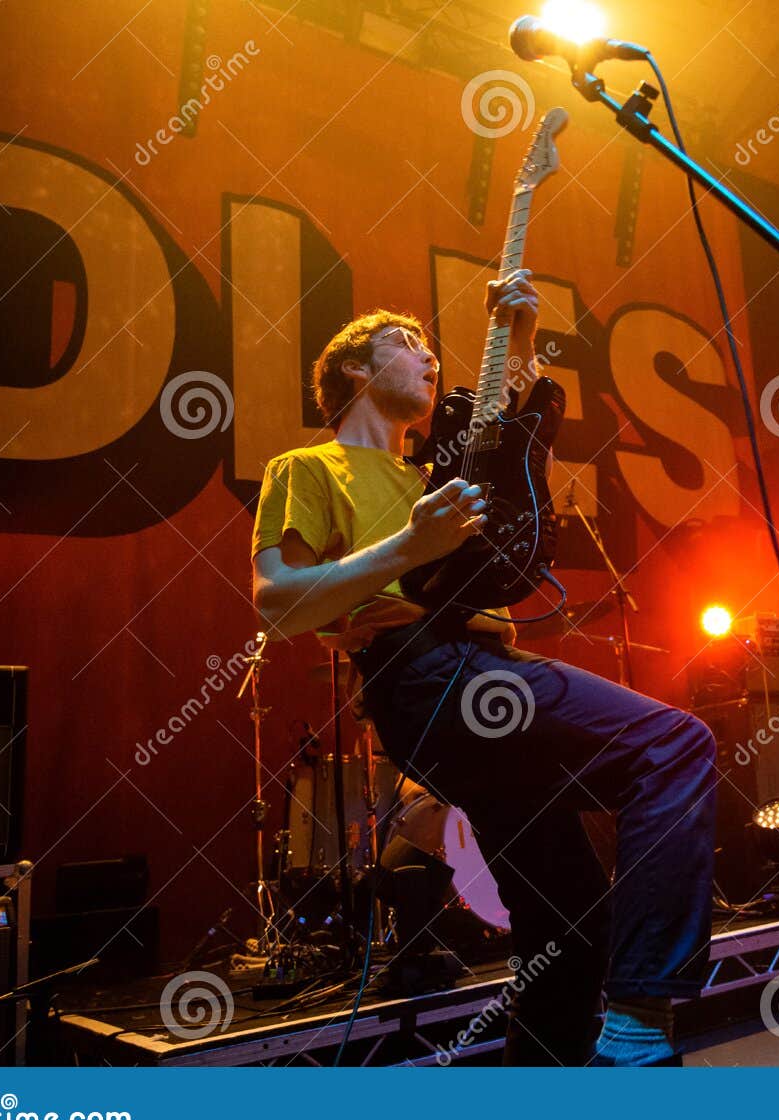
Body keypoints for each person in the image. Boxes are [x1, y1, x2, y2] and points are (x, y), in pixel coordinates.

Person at [250, 270, 717, 1066]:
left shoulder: (436, 474)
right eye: (407, 344)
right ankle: (641, 1018)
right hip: (428, 673)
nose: (429, 355)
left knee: (563, 912)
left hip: (476, 671)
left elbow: (516, 441)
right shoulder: (308, 469)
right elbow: (278, 602)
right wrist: (407, 549)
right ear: (355, 371)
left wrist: (524, 343)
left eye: (433, 345)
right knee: (673, 745)